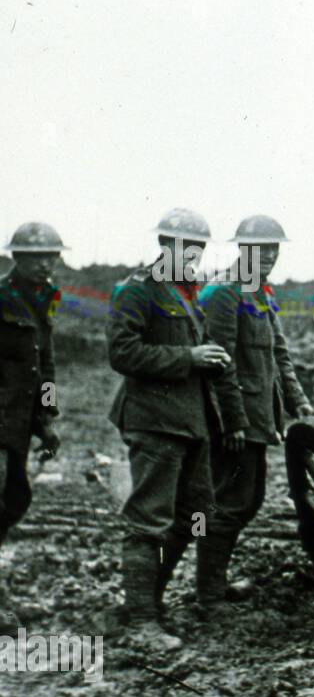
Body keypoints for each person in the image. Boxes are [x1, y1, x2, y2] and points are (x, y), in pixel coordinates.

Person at [107, 208, 234, 650]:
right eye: (185, 247)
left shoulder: (187, 292)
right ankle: (141, 622)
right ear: (165, 245)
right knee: (148, 521)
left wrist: (208, 358)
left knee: (195, 516)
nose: (193, 255)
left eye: (198, 248)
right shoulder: (138, 289)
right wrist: (189, 359)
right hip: (154, 422)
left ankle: (149, 602)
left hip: (190, 422)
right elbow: (122, 353)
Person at [198, 215, 313, 611]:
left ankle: (215, 583)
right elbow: (220, 363)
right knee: (233, 501)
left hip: (258, 419)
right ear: (241, 250)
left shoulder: (260, 293)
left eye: (273, 249)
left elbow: (279, 355)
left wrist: (298, 402)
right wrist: (233, 421)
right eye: (259, 249)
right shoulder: (224, 293)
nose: (267, 256)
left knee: (247, 499)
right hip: (237, 421)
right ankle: (209, 593)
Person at [0, 222, 66, 636]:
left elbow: (45, 367)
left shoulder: (44, 300)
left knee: (13, 499)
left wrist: (46, 419)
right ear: (16, 259)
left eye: (52, 257)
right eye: (37, 257)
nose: (46, 265)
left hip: (19, 424)